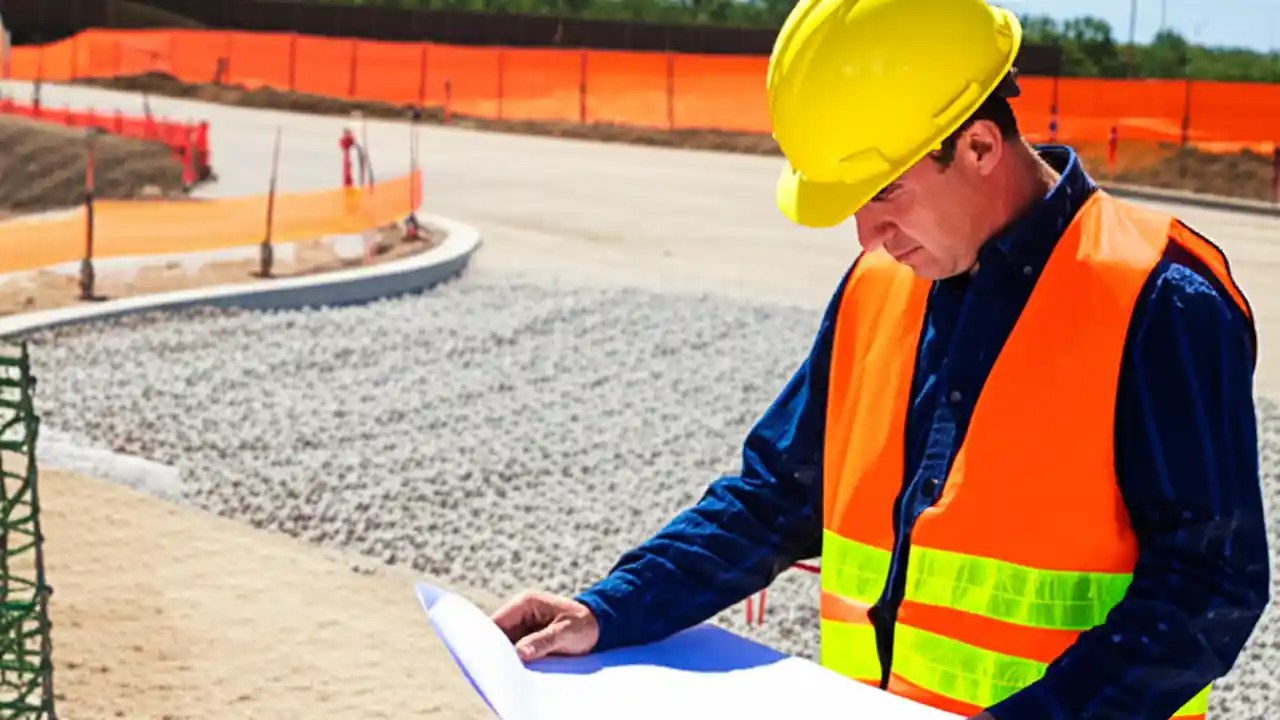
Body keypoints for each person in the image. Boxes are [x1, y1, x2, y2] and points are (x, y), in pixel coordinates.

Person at [490, 1, 1271, 718]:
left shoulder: (1159, 302)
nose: (866, 236)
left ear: (977, 145)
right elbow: (773, 499)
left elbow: (1209, 587)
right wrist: (613, 607)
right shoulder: (880, 285)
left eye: (883, 194)